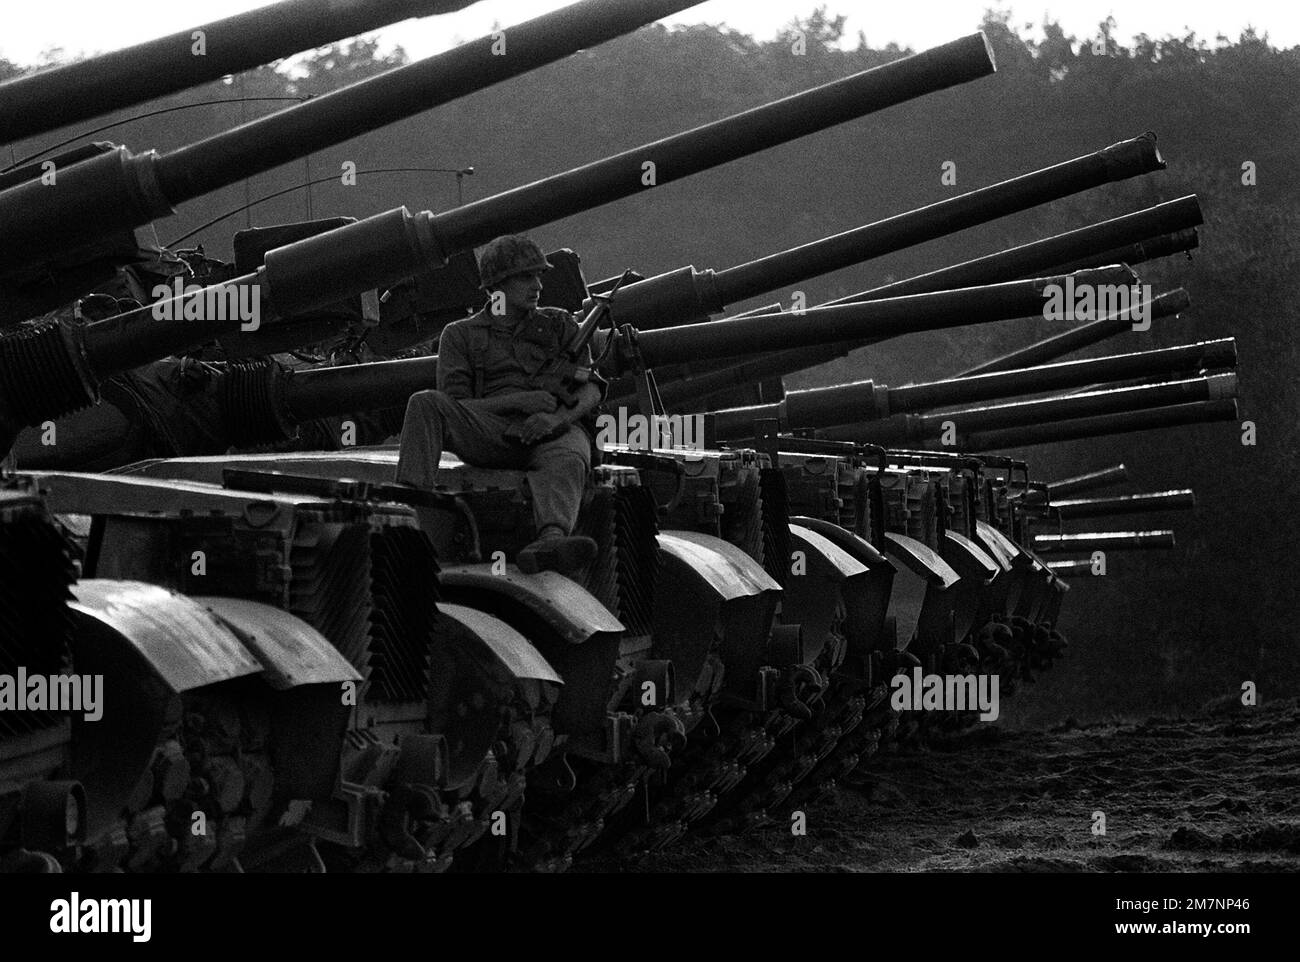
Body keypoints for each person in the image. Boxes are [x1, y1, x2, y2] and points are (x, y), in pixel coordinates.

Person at [394, 235, 604, 574]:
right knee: (425, 404)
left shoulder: (560, 325)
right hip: (490, 434)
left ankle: (550, 540)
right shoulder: (460, 335)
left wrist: (556, 420)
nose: (537, 285)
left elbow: (591, 390)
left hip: (550, 432)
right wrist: (518, 400)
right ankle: (408, 509)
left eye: (539, 276)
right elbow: (458, 404)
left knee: (568, 454)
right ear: (496, 286)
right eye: (526, 277)